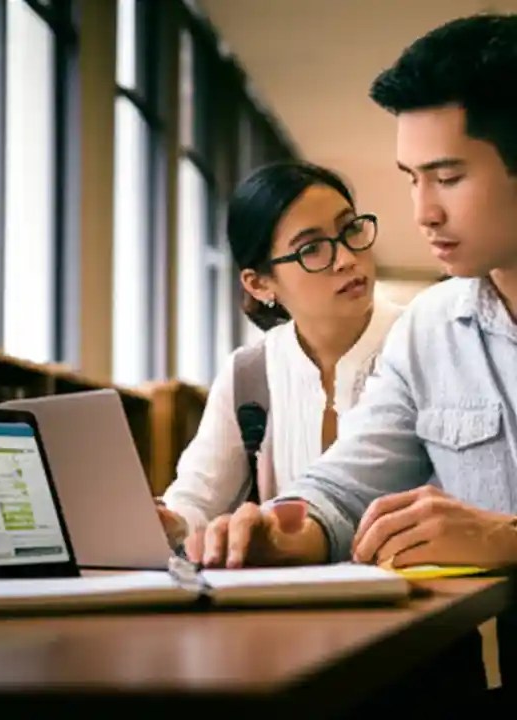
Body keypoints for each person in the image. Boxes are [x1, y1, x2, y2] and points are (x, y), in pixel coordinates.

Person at [183, 12, 517, 709]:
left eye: (447, 176)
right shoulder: (432, 329)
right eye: (411, 179)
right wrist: (274, 530)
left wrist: (508, 537)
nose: (422, 212)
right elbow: (341, 494)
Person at [156, 162, 402, 548]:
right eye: (312, 248)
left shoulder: (421, 344)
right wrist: (168, 522)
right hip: (294, 596)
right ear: (259, 283)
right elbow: (197, 497)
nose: (346, 259)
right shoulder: (250, 373)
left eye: (350, 229)